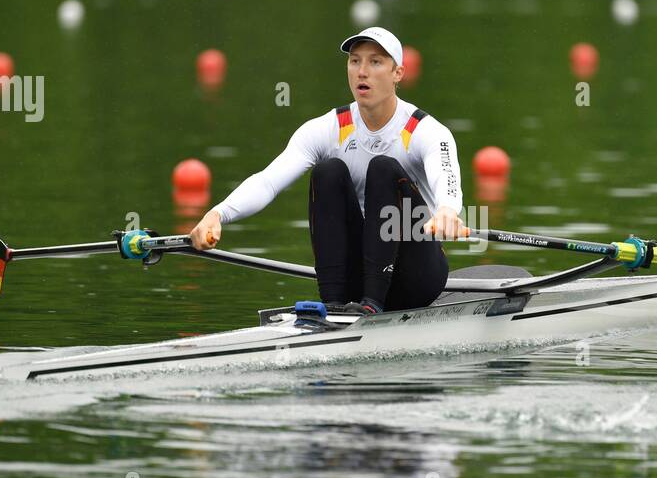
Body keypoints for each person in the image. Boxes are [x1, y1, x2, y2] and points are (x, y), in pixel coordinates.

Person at [189, 27, 467, 314]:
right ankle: (332, 304)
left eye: (375, 62)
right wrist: (217, 214)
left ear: (398, 73)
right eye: (355, 61)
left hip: (417, 277)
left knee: (382, 168)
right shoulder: (328, 128)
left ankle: (372, 304)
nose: (362, 71)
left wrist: (447, 211)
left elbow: (446, 179)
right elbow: (268, 182)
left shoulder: (426, 131)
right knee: (327, 171)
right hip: (354, 278)